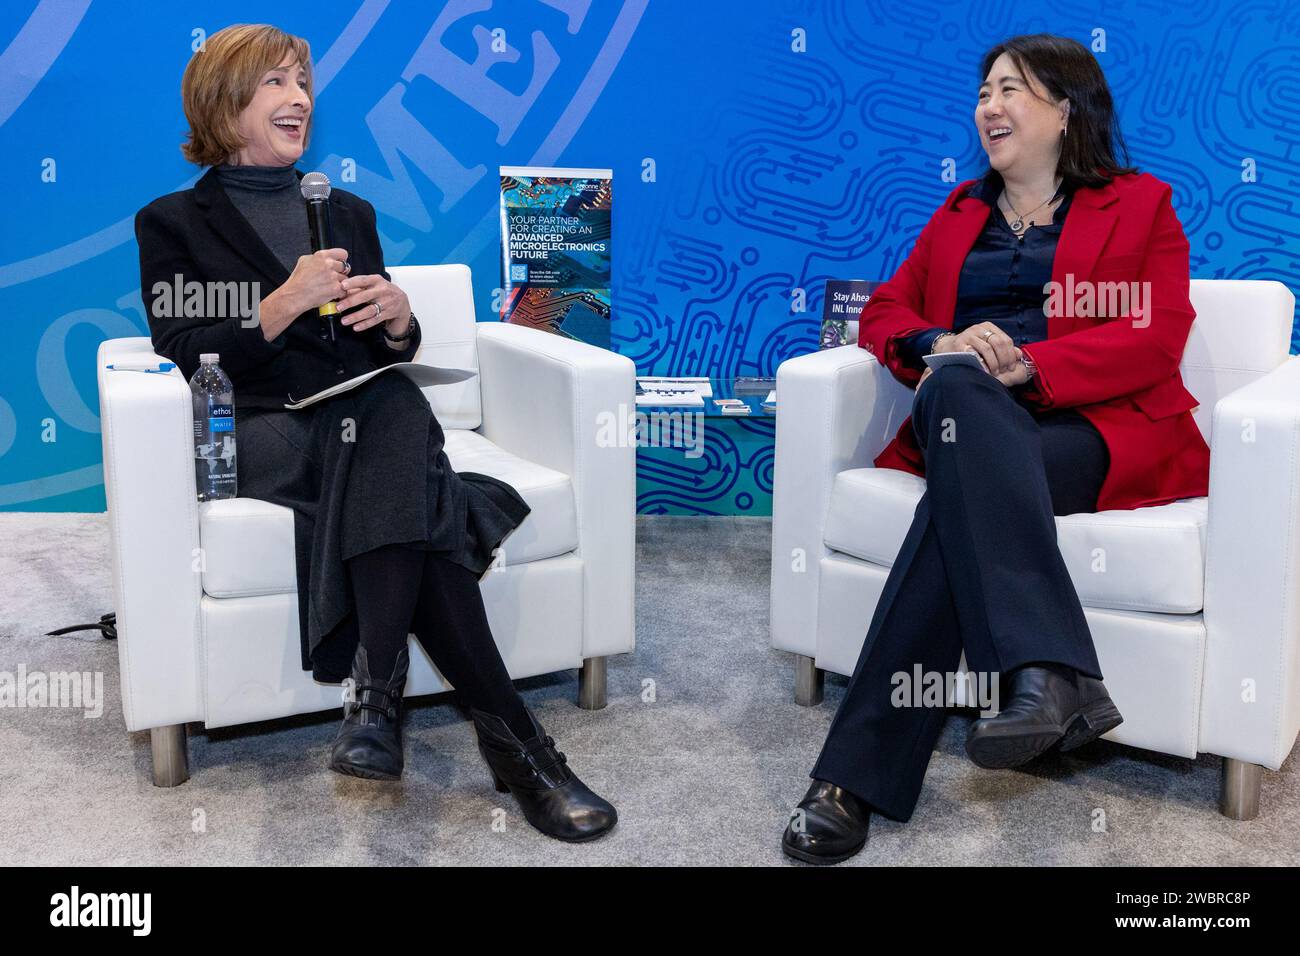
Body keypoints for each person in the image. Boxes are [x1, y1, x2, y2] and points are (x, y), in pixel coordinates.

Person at [135, 24, 616, 843]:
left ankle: (377, 698)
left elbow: (384, 346)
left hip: (360, 419)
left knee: (390, 403)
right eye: (276, 84)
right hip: (260, 428)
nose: (299, 99)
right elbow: (186, 351)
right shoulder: (173, 221)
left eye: (303, 84)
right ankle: (522, 750)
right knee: (416, 470)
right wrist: (281, 303)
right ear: (224, 101)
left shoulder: (345, 210)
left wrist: (399, 321)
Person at [782, 33, 1210, 864]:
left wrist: (1030, 361)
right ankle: (1051, 672)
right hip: (967, 423)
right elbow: (887, 314)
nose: (988, 105)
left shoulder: (1142, 203)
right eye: (983, 91)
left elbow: (1156, 335)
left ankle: (851, 780)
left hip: (1090, 433)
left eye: (1010, 89)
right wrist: (942, 340)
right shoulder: (956, 215)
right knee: (953, 386)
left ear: (1065, 109)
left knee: (960, 464)